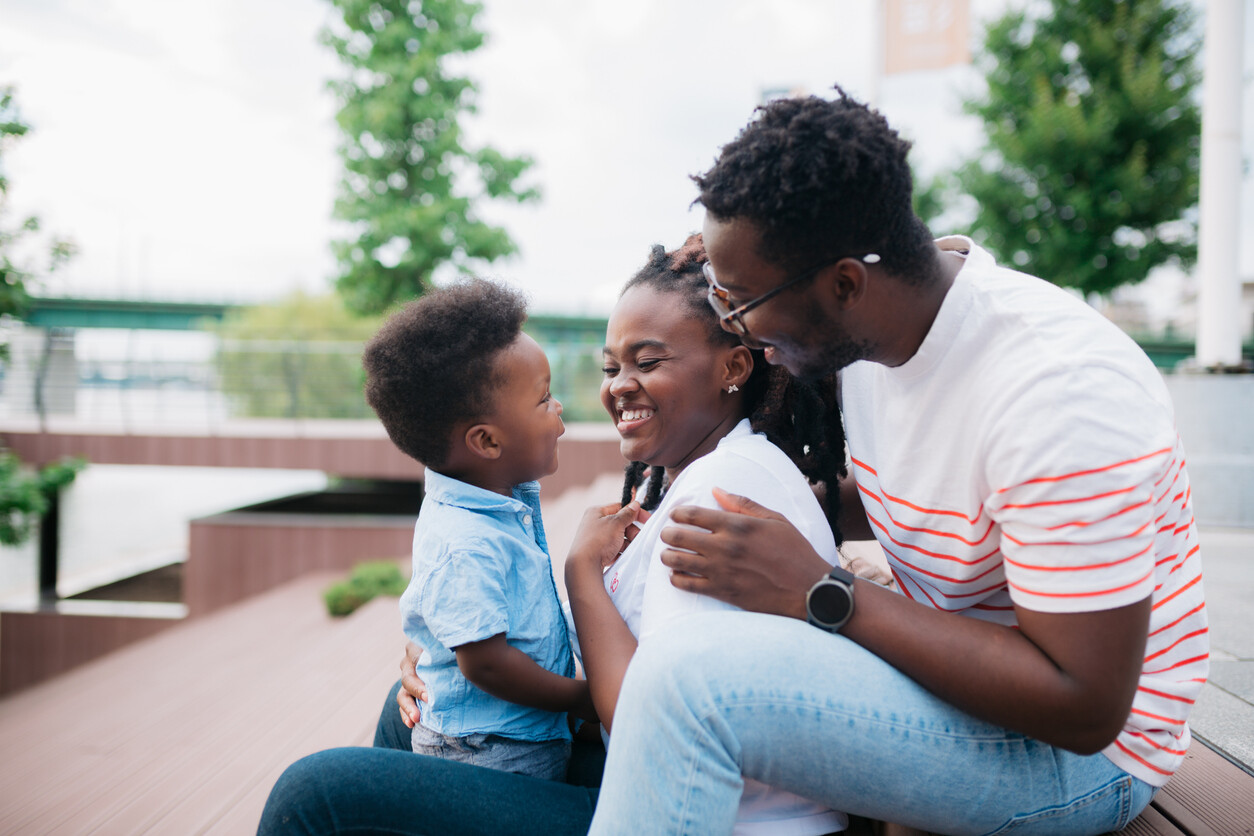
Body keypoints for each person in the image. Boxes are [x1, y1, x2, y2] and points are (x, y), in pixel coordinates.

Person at [585, 89, 1208, 836]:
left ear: (846, 284)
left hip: (1086, 757)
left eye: (740, 302)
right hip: (958, 688)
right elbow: (920, 488)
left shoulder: (1058, 394)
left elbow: (1084, 704)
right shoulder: (888, 318)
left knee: (683, 682)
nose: (732, 327)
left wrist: (823, 589)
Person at [257, 239, 856, 834]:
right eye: (611, 366)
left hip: (696, 816)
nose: (617, 385)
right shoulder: (685, 477)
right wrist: (444, 650)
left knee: (314, 796)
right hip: (644, 780)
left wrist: (581, 575)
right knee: (404, 712)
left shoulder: (722, 494)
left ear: (732, 366)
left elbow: (654, 727)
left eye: (646, 363)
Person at [359, 278, 591, 781]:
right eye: (544, 398)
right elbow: (485, 664)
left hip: (515, 736)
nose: (559, 410)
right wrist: (588, 700)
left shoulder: (497, 498)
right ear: (487, 441)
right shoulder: (466, 540)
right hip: (494, 756)